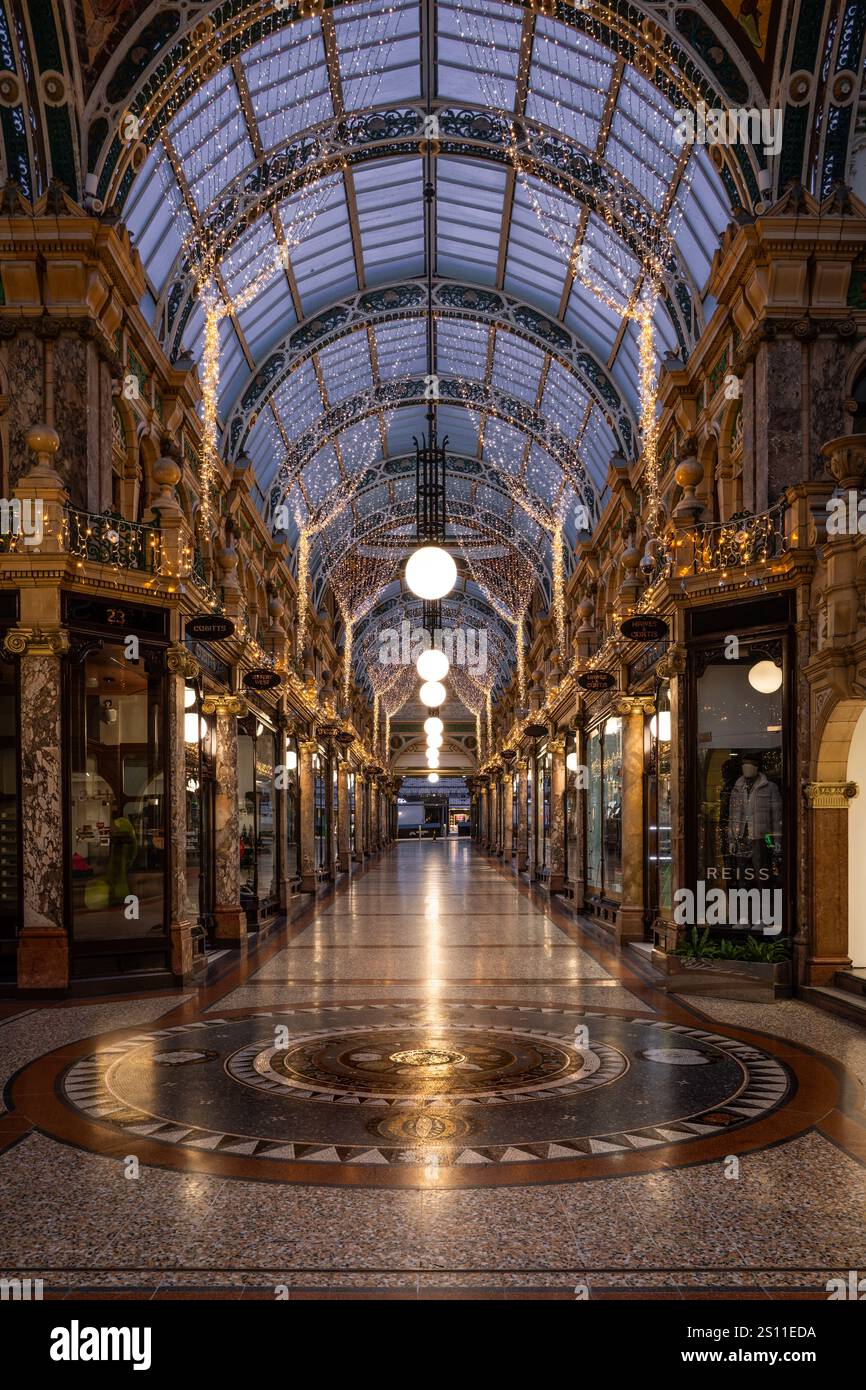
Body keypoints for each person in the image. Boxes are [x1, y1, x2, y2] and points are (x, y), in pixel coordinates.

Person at [727, 754, 782, 893]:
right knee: (742, 872)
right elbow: (732, 816)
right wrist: (731, 839)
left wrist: (776, 840)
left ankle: (764, 902)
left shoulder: (770, 788)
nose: (746, 769)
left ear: (756, 769)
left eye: (749, 767)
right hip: (741, 835)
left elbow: (776, 816)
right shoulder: (737, 787)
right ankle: (743, 902)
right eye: (744, 767)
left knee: (762, 871)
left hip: (762, 837)